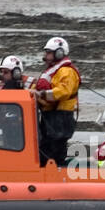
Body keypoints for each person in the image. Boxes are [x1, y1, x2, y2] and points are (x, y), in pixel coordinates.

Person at [35, 36, 79, 167]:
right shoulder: (56, 71)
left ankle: (56, 172)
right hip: (51, 116)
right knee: (46, 147)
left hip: (61, 116)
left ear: (59, 53)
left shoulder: (67, 71)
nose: (46, 55)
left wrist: (42, 94)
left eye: (49, 52)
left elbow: (63, 91)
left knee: (54, 149)